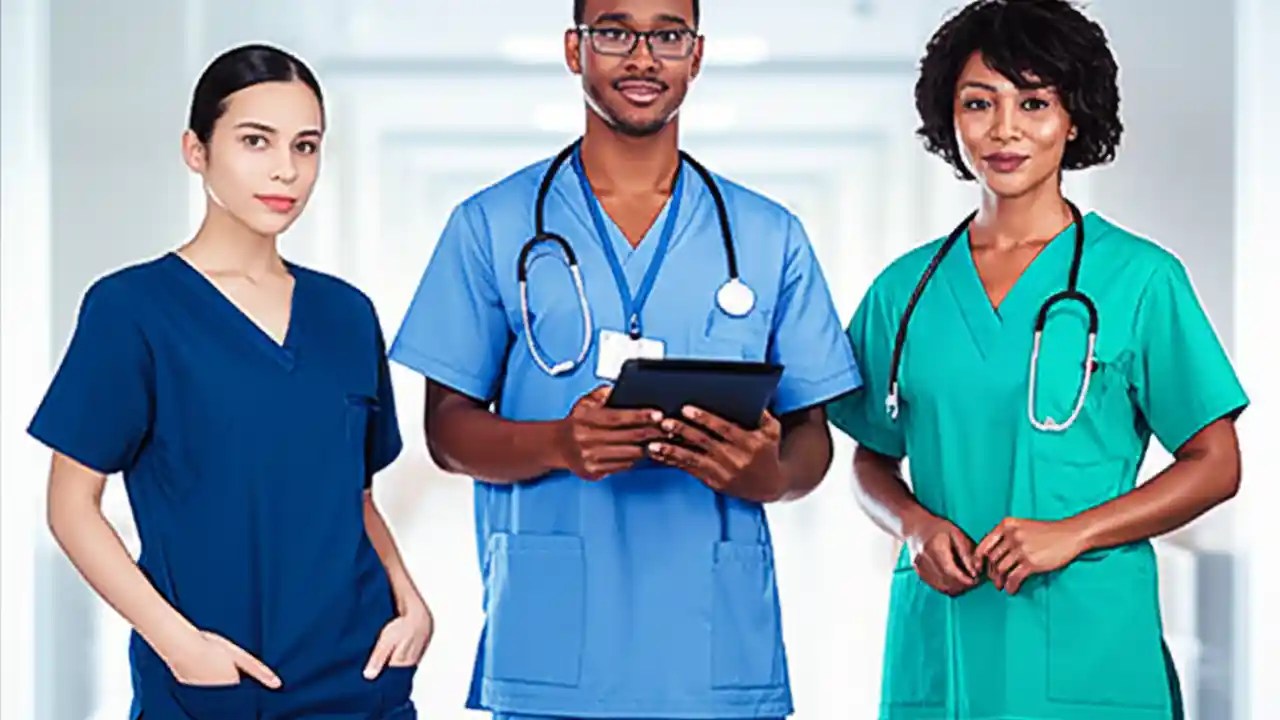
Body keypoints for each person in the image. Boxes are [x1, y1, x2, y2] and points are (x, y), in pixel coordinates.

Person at [388, 0, 860, 718]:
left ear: (695, 56)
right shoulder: (492, 224)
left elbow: (811, 437)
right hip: (553, 650)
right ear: (575, 49)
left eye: (667, 34)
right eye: (615, 31)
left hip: (714, 656)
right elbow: (447, 432)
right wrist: (557, 442)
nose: (643, 57)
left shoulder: (769, 237)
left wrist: (771, 474)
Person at [825, 1, 1248, 719]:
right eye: (979, 103)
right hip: (946, 638)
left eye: (1035, 102)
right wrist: (913, 526)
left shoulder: (1141, 279)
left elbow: (1216, 463)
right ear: (948, 118)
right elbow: (870, 458)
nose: (1005, 129)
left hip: (1089, 634)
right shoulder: (907, 289)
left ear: (1074, 117)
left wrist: (1072, 533)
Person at [29, 43, 432, 720]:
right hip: (215, 686)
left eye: (306, 146)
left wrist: (409, 597)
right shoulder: (133, 310)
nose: (286, 170)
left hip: (364, 676)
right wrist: (178, 645)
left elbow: (353, 495)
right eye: (255, 141)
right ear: (196, 150)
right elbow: (71, 506)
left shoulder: (345, 314)